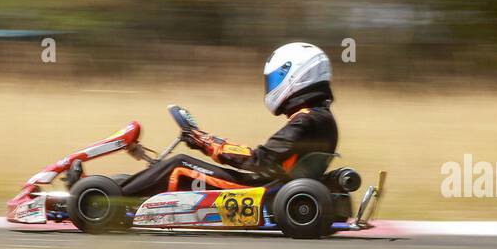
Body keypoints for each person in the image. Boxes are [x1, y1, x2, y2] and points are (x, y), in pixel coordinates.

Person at [119, 42, 338, 197]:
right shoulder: (321, 118)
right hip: (275, 185)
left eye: (275, 78)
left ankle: (110, 201)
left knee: (179, 164)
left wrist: (207, 142)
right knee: (173, 168)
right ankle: (119, 190)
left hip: (262, 189)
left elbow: (259, 160)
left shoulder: (307, 120)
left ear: (296, 76)